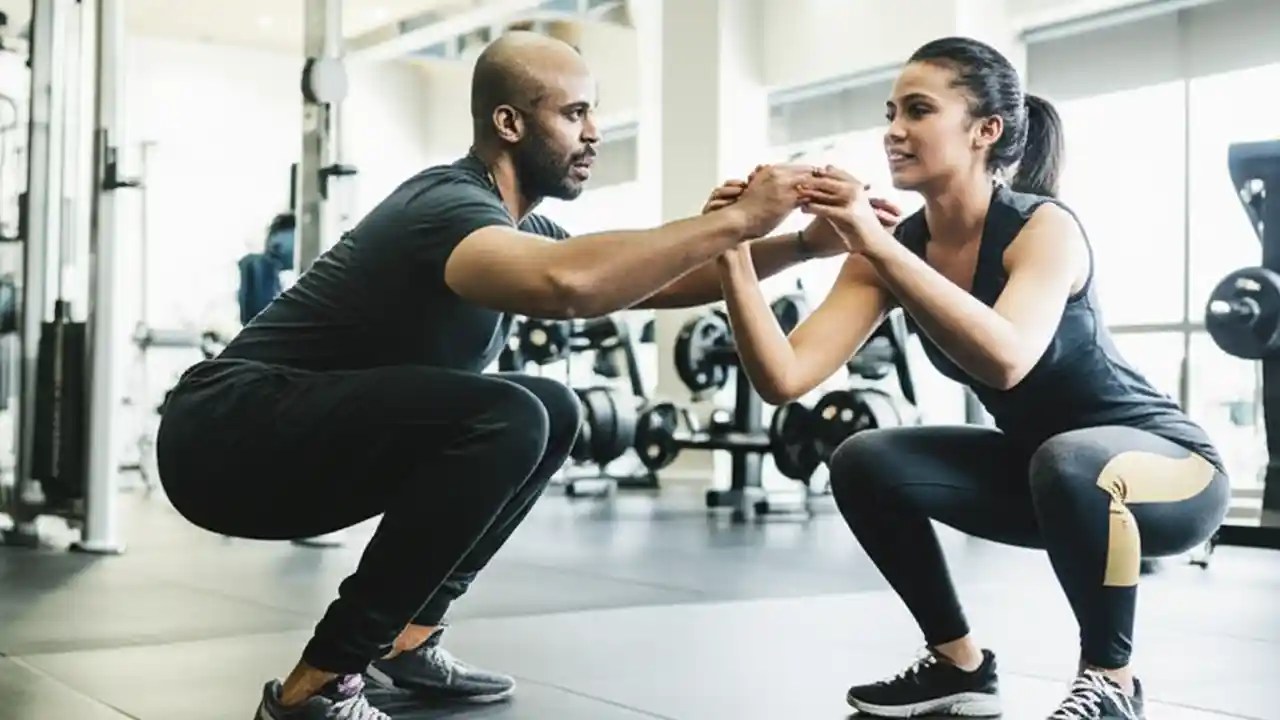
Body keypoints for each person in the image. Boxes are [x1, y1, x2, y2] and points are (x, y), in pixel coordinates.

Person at [155, 31, 852, 720]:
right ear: (509, 123)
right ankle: (321, 685)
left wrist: (797, 245)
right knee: (509, 412)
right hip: (224, 436)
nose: (594, 133)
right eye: (574, 113)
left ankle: (406, 640)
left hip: (283, 443)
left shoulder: (513, 226)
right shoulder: (448, 206)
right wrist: (735, 220)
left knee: (552, 405)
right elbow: (570, 285)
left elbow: (642, 281)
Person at [706, 37, 1229, 720]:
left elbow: (1009, 358)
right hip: (1048, 477)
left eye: (918, 111)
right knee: (863, 458)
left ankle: (1112, 680)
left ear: (987, 131)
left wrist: (873, 243)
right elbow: (784, 376)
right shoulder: (890, 250)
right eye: (890, 111)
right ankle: (958, 665)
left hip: (1172, 474)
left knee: (1069, 459)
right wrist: (733, 249)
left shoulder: (1042, 227)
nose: (893, 131)